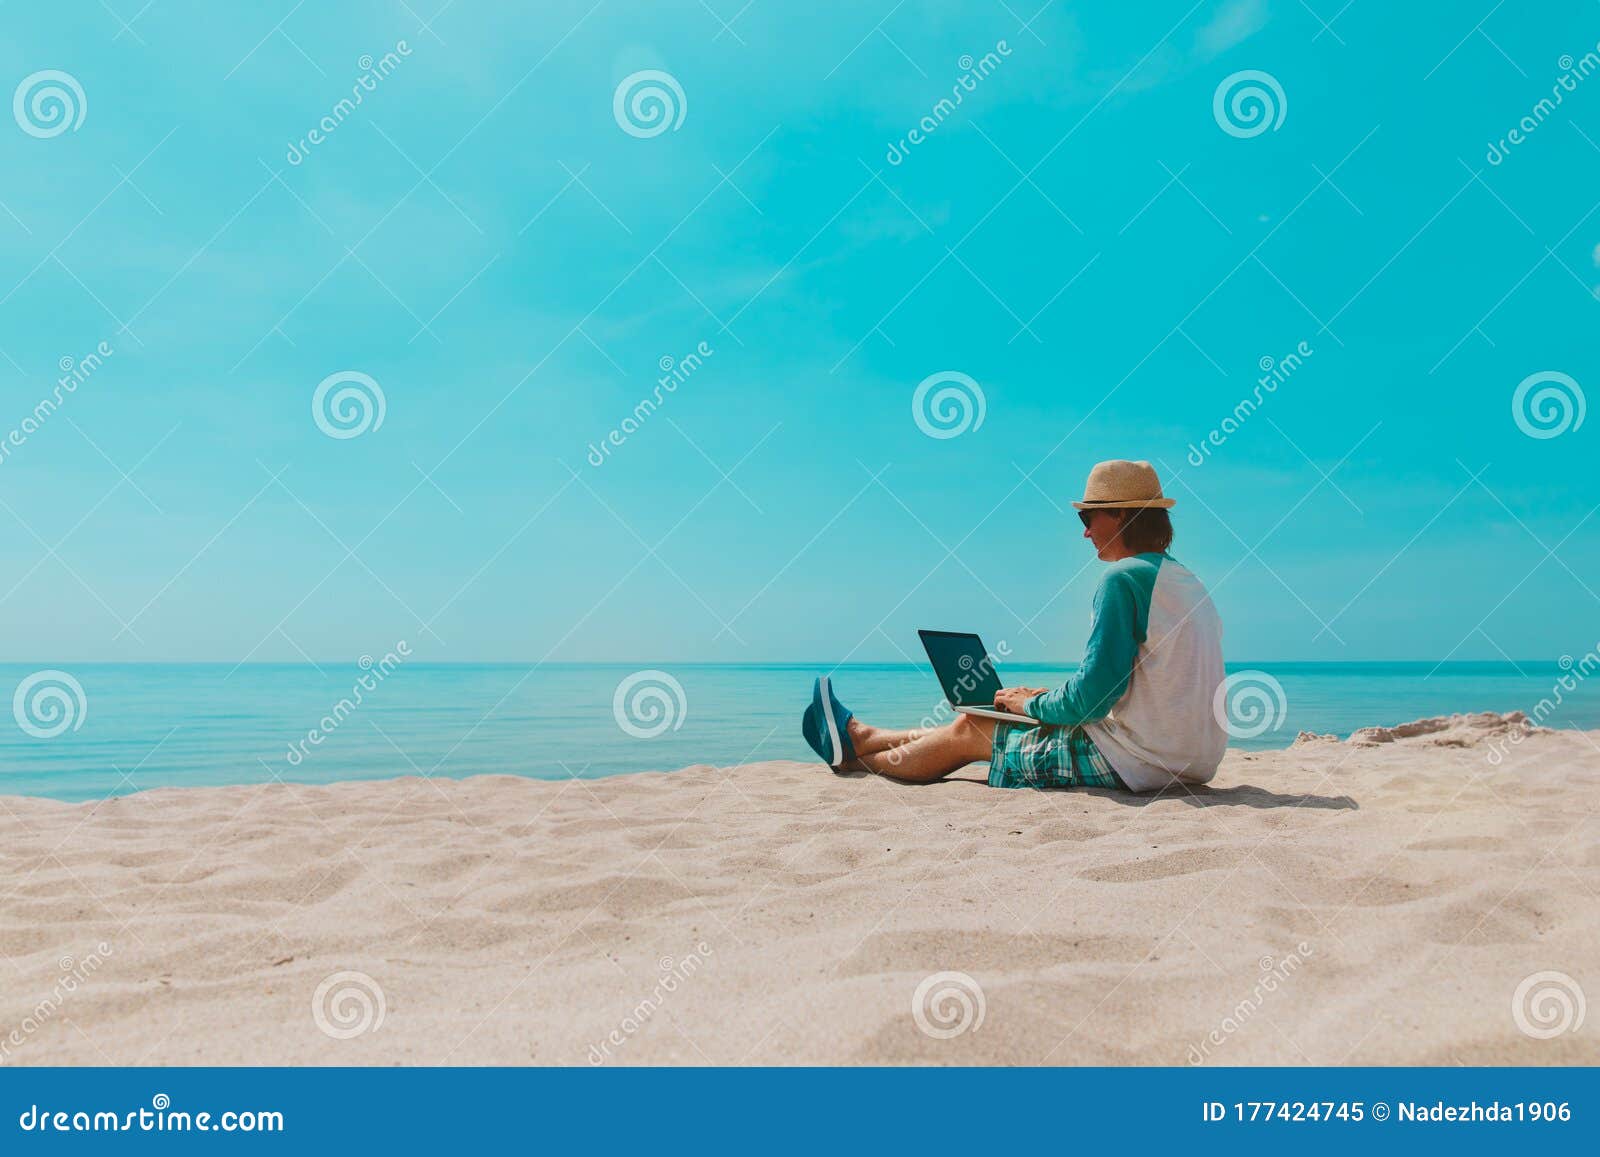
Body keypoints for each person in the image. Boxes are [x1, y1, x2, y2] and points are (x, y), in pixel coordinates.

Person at [801, 460, 1226, 792]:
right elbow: (1140, 684)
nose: (1085, 533)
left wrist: (1031, 706)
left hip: (1146, 761)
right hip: (1195, 759)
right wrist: (1046, 699)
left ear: (1119, 517)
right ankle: (863, 735)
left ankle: (855, 760)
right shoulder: (1188, 582)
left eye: (1088, 518)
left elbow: (1093, 702)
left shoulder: (1122, 579)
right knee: (978, 722)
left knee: (974, 729)